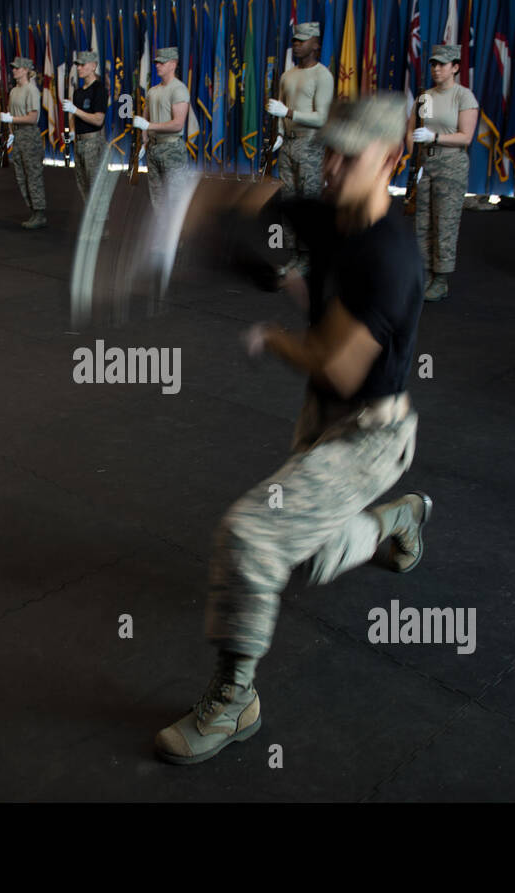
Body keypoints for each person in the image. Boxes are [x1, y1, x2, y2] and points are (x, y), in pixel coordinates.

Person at [155, 94, 431, 765]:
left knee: (251, 535)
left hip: (369, 434)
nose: (331, 165)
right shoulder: (330, 210)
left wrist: (271, 335)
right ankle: (397, 520)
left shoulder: (390, 257)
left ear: (393, 158)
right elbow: (266, 199)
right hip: (322, 417)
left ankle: (235, 699)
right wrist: (217, 224)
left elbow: (333, 365)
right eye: (327, 149)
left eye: (350, 155)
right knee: (307, 550)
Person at [407, 44, 478, 302]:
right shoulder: (426, 97)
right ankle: (423, 273)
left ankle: (441, 278)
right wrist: (413, 158)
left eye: (442, 65)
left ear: (455, 67)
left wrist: (435, 136)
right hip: (427, 163)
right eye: (433, 64)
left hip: (451, 164)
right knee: (423, 222)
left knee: (445, 223)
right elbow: (413, 129)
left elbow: (466, 137)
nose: (437, 69)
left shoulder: (463, 96)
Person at [267, 22, 333, 279]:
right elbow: (280, 112)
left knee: (308, 202)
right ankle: (296, 254)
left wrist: (289, 113)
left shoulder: (322, 76)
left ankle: (310, 257)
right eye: (295, 40)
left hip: (310, 144)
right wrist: (280, 133)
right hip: (290, 144)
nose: (297, 44)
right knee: (291, 201)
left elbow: (322, 117)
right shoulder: (287, 75)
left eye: (303, 40)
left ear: (316, 44)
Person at [133, 46, 190, 209]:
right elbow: (146, 117)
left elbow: (178, 123)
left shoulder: (178, 89)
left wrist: (149, 126)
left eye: (162, 63)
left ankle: (178, 235)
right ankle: (162, 231)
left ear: (173, 64)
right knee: (158, 200)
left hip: (172, 148)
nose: (157, 65)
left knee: (175, 200)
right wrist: (143, 144)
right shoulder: (152, 91)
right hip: (154, 148)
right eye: (157, 62)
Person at [2, 56, 47, 229]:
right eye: (13, 68)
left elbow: (33, 117)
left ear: (27, 70)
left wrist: (12, 118)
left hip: (30, 135)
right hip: (19, 135)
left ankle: (39, 212)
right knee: (21, 176)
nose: (14, 70)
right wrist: (12, 133)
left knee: (33, 175)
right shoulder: (14, 91)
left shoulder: (31, 90)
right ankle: (32, 209)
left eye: (18, 68)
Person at [63, 50, 107, 202]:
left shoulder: (99, 89)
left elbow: (98, 120)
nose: (79, 68)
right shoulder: (78, 92)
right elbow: (74, 118)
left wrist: (75, 110)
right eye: (78, 65)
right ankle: (90, 221)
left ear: (93, 66)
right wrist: (72, 132)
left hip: (94, 142)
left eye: (83, 65)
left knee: (96, 186)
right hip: (80, 143)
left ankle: (101, 223)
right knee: (84, 186)